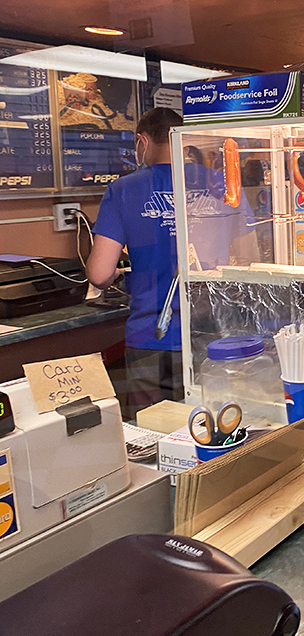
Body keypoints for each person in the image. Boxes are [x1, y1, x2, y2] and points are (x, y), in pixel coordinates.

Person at [86, 107, 184, 418]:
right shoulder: (218, 183)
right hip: (207, 335)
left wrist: (117, 272)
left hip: (149, 336)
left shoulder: (123, 190)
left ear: (142, 141)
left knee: (152, 433)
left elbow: (99, 275)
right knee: (206, 429)